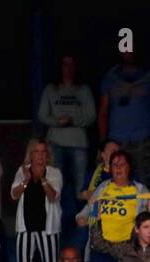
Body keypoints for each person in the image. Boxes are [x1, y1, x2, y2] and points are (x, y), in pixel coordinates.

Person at [37, 54, 96, 220]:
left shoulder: (83, 90)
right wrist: (57, 121)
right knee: (54, 185)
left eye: (71, 65)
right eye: (65, 65)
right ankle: (54, 221)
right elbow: (42, 115)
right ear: (60, 67)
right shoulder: (51, 89)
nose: (68, 68)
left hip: (78, 143)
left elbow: (91, 116)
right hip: (55, 142)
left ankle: (83, 221)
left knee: (80, 187)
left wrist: (73, 121)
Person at [98, 49, 150, 184]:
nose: (129, 53)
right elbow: (103, 111)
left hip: (141, 142)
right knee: (110, 183)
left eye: (132, 49)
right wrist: (103, 142)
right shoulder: (110, 76)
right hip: (115, 141)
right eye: (125, 49)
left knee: (142, 184)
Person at [10, 139, 63, 262]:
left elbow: (53, 197)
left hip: (47, 227)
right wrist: (26, 180)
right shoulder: (22, 171)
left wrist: (43, 179)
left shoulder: (54, 172)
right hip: (25, 226)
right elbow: (14, 194)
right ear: (31, 154)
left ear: (47, 155)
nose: (40, 155)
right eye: (36, 151)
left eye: (43, 151)